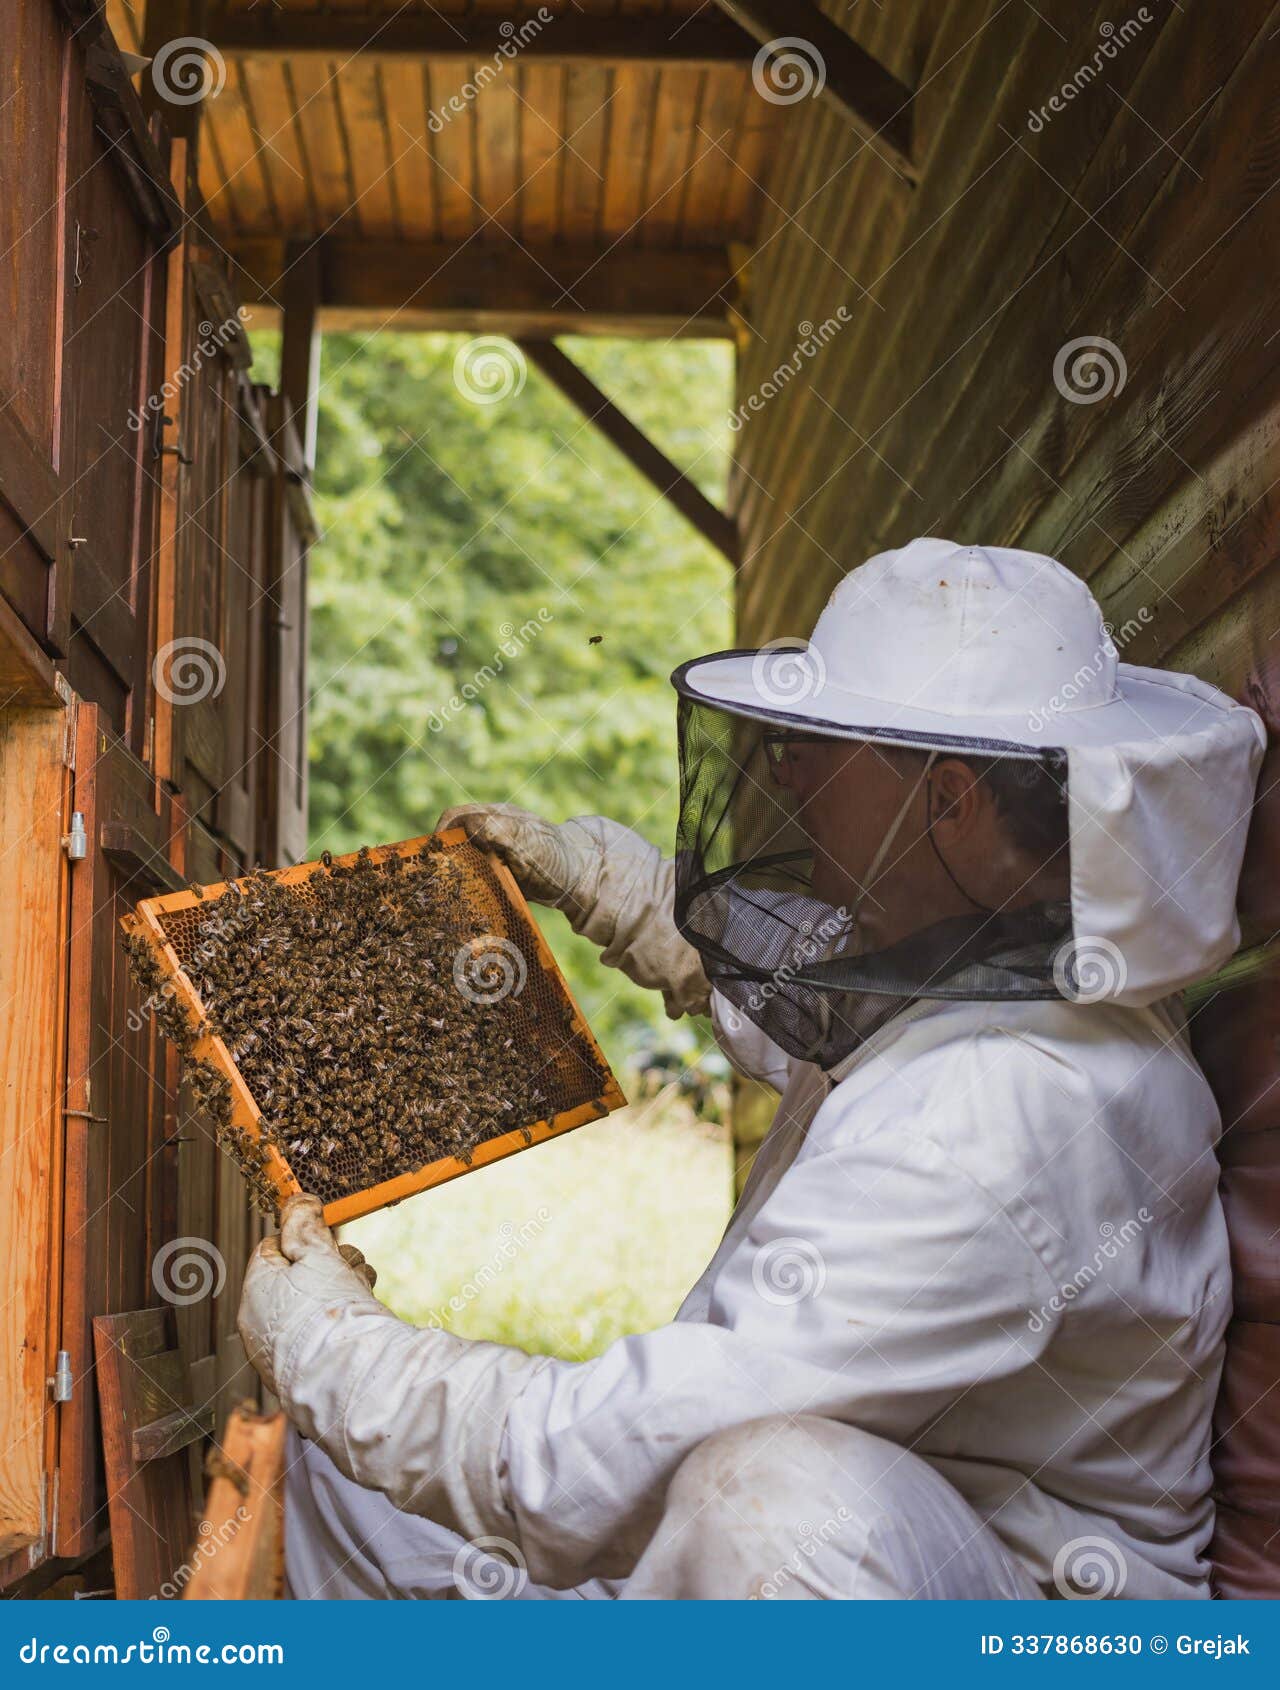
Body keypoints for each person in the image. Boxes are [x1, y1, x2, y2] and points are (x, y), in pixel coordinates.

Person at [239, 538, 1264, 1600]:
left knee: (769, 1501)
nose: (784, 766)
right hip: (888, 1535)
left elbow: (616, 1443)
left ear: (949, 799)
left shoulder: (996, 1121)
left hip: (1013, 1601)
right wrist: (609, 882)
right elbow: (806, 993)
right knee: (346, 1480)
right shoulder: (994, 962)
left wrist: (332, 1349)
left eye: (822, 743)